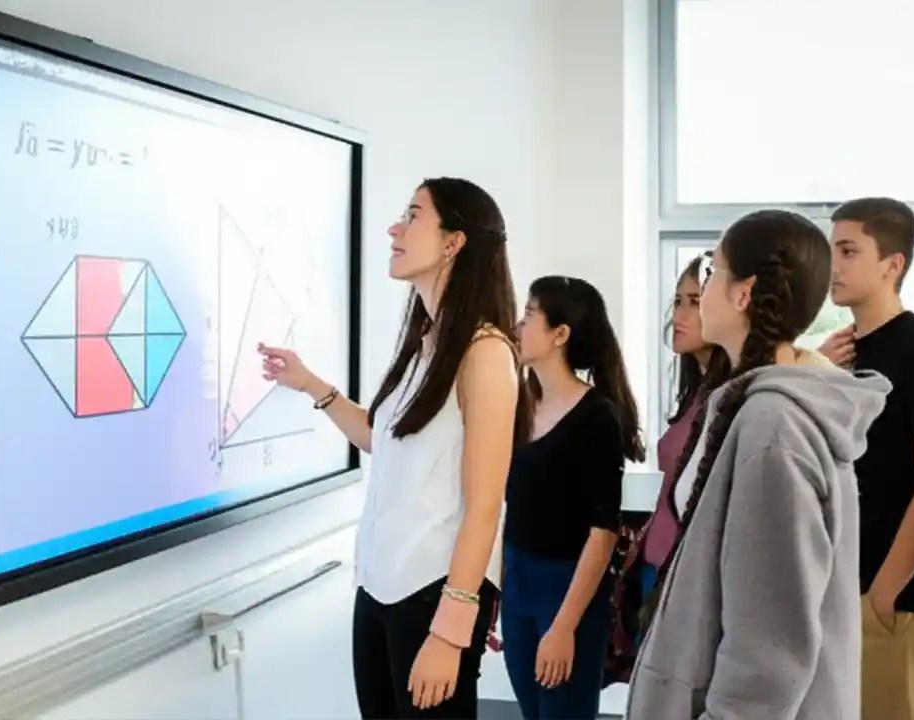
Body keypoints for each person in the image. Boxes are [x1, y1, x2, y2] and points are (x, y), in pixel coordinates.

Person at [258, 177, 528, 719]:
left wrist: (451, 634)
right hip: (378, 585)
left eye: (412, 216)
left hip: (432, 595)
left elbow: (484, 506)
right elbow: (379, 437)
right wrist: (312, 384)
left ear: (454, 242)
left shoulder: (486, 353)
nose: (393, 228)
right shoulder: (424, 345)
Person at [626, 209, 891, 719]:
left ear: (743, 292)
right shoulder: (743, 404)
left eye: (711, 275)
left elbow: (770, 644)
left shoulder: (773, 426)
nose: (701, 292)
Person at [819, 197, 914, 720]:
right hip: (843, 587)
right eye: (831, 248)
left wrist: (883, 597)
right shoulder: (844, 351)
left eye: (849, 250)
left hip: (892, 598)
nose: (832, 264)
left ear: (892, 264)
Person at [500, 275, 645, 719]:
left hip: (568, 593)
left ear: (560, 334)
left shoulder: (597, 416)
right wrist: (497, 589)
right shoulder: (521, 404)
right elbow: (515, 509)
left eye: (527, 317)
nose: (516, 327)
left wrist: (564, 626)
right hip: (519, 587)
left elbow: (602, 533)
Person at [640, 255, 730, 599]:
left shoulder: (731, 397)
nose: (679, 315)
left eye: (695, 301)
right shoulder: (697, 391)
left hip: (692, 576)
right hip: (660, 563)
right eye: (678, 301)